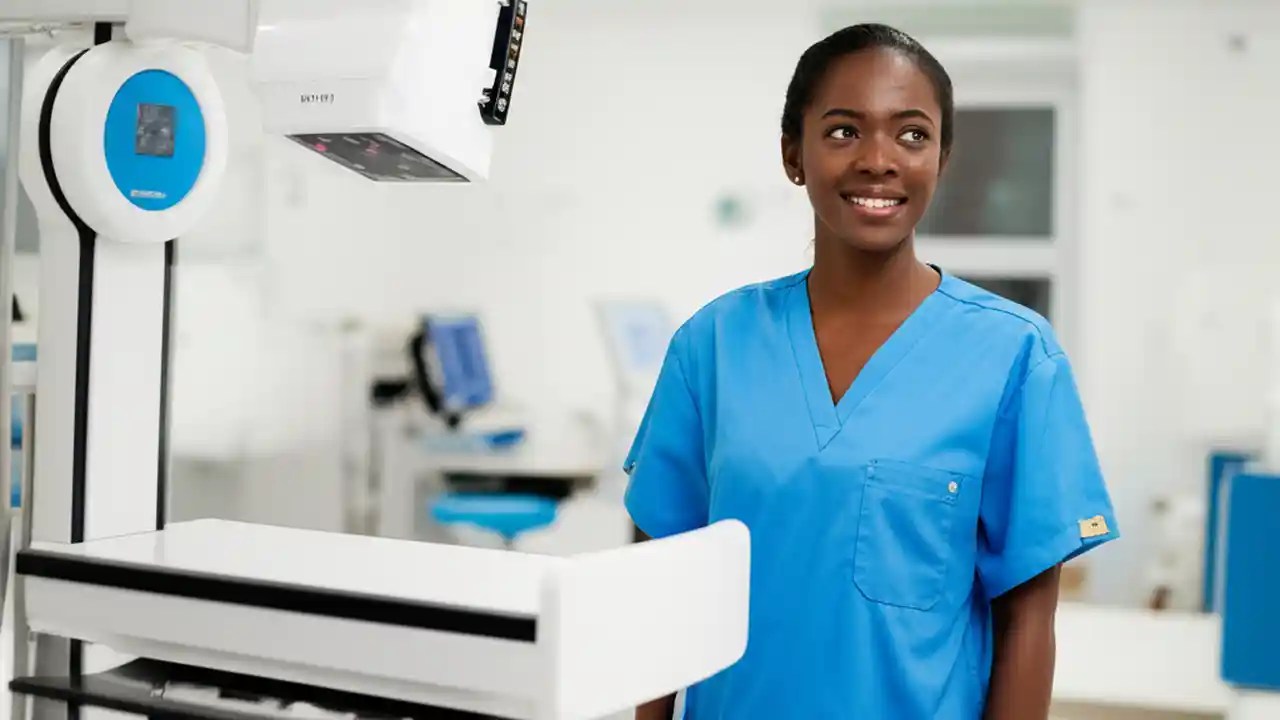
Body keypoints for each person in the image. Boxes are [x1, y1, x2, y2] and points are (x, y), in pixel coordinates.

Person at [626, 23, 1118, 720]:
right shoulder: (713, 345)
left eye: (912, 134)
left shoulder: (1015, 357)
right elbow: (658, 587)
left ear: (943, 158)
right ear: (793, 154)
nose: (879, 159)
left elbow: (1029, 624)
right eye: (843, 132)